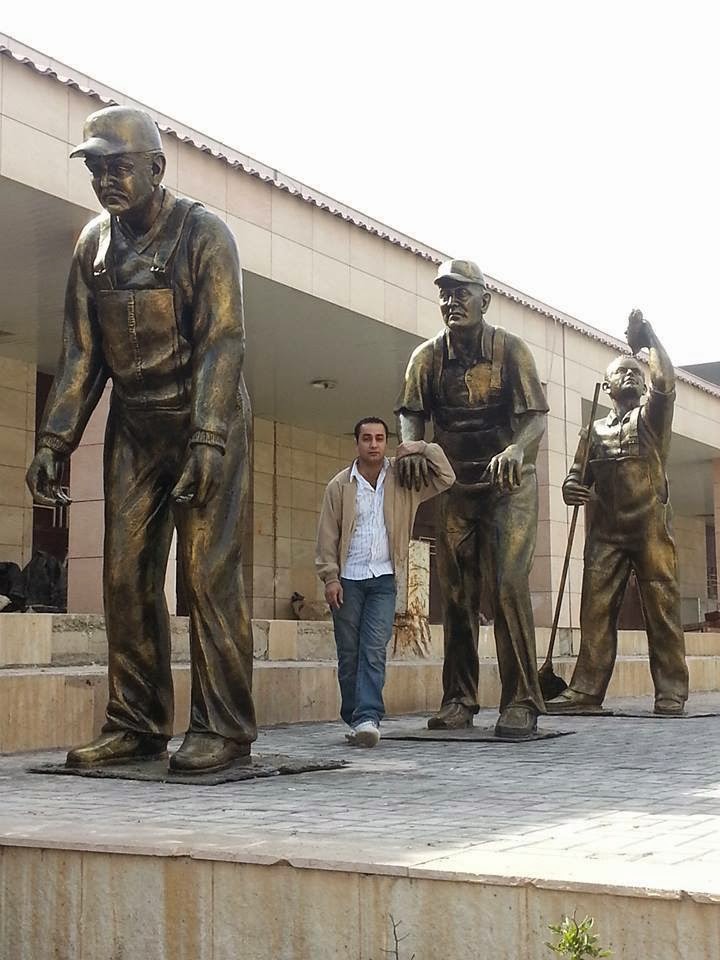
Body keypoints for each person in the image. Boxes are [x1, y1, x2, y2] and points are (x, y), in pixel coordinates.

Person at [25, 105, 256, 773]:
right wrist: (54, 441)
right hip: (135, 423)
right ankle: (137, 721)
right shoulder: (92, 246)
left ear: (156, 168)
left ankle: (226, 727)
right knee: (125, 577)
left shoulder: (203, 234)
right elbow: (80, 355)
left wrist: (209, 440)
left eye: (118, 166)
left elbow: (224, 340)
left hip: (205, 418)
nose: (105, 180)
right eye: (96, 168)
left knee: (207, 574)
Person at [395, 260, 548, 738]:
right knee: (456, 593)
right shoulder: (425, 358)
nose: (451, 302)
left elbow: (535, 419)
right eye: (444, 294)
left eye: (461, 293)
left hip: (508, 484)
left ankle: (521, 699)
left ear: (485, 300)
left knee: (506, 585)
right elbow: (410, 416)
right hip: (456, 484)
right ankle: (459, 698)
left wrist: (517, 451)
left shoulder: (511, 351)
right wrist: (413, 447)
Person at [547, 310, 689, 715]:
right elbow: (576, 478)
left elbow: (665, 382)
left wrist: (647, 341)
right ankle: (586, 690)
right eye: (621, 372)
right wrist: (570, 488)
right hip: (606, 533)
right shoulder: (592, 431)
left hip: (650, 529)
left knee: (661, 609)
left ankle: (671, 690)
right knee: (595, 612)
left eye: (635, 372)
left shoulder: (651, 420)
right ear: (606, 386)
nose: (631, 376)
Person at [316, 417, 454, 746]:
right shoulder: (339, 486)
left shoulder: (404, 479)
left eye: (379, 438)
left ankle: (367, 716)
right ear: (357, 443)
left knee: (374, 650)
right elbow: (327, 536)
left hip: (383, 579)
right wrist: (330, 577)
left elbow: (447, 477)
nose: (373, 444)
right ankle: (355, 713)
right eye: (367, 438)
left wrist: (422, 447)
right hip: (347, 580)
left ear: (386, 442)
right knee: (349, 653)